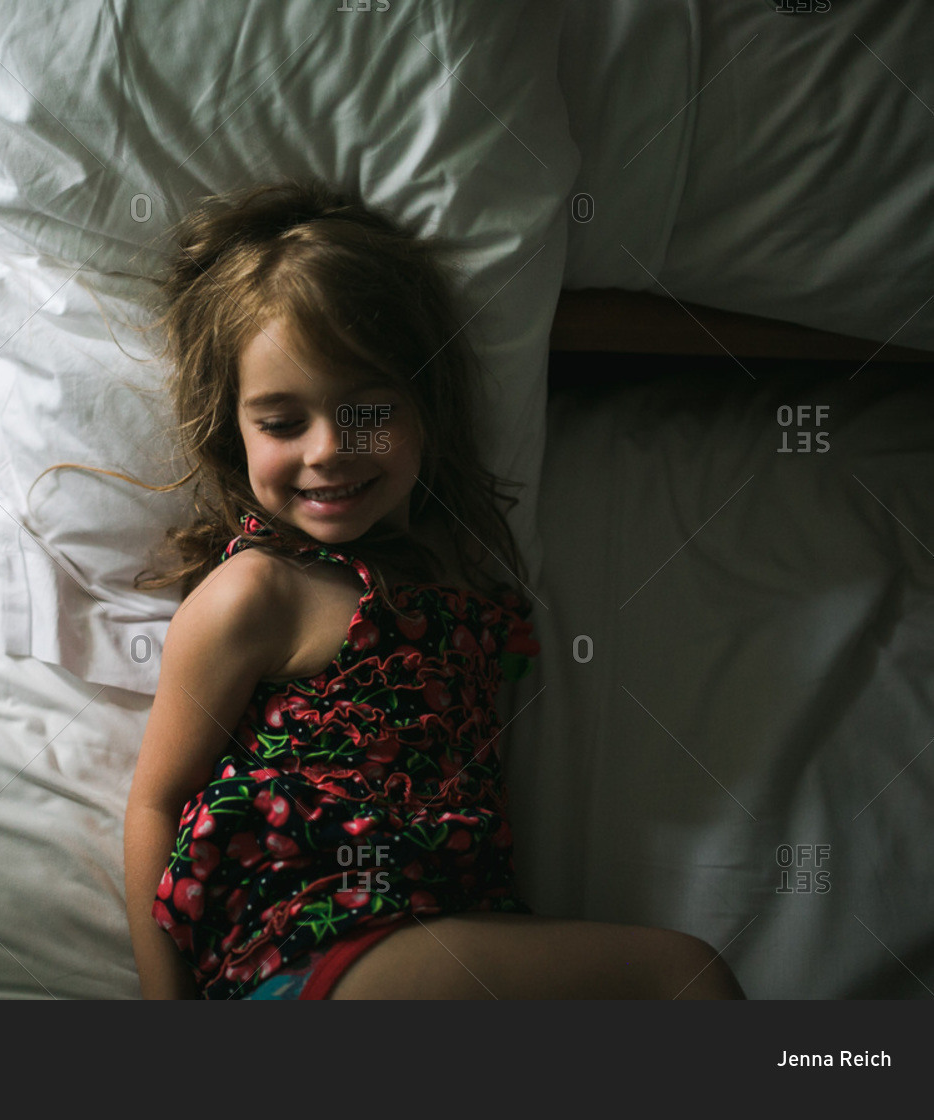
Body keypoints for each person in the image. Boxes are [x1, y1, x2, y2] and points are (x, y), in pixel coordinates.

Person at [49, 179, 747, 1000]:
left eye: (368, 413)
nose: (328, 451)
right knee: (682, 976)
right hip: (317, 945)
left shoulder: (460, 579)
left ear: (425, 407)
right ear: (233, 431)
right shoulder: (255, 594)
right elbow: (154, 803)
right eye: (281, 422)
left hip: (442, 932)